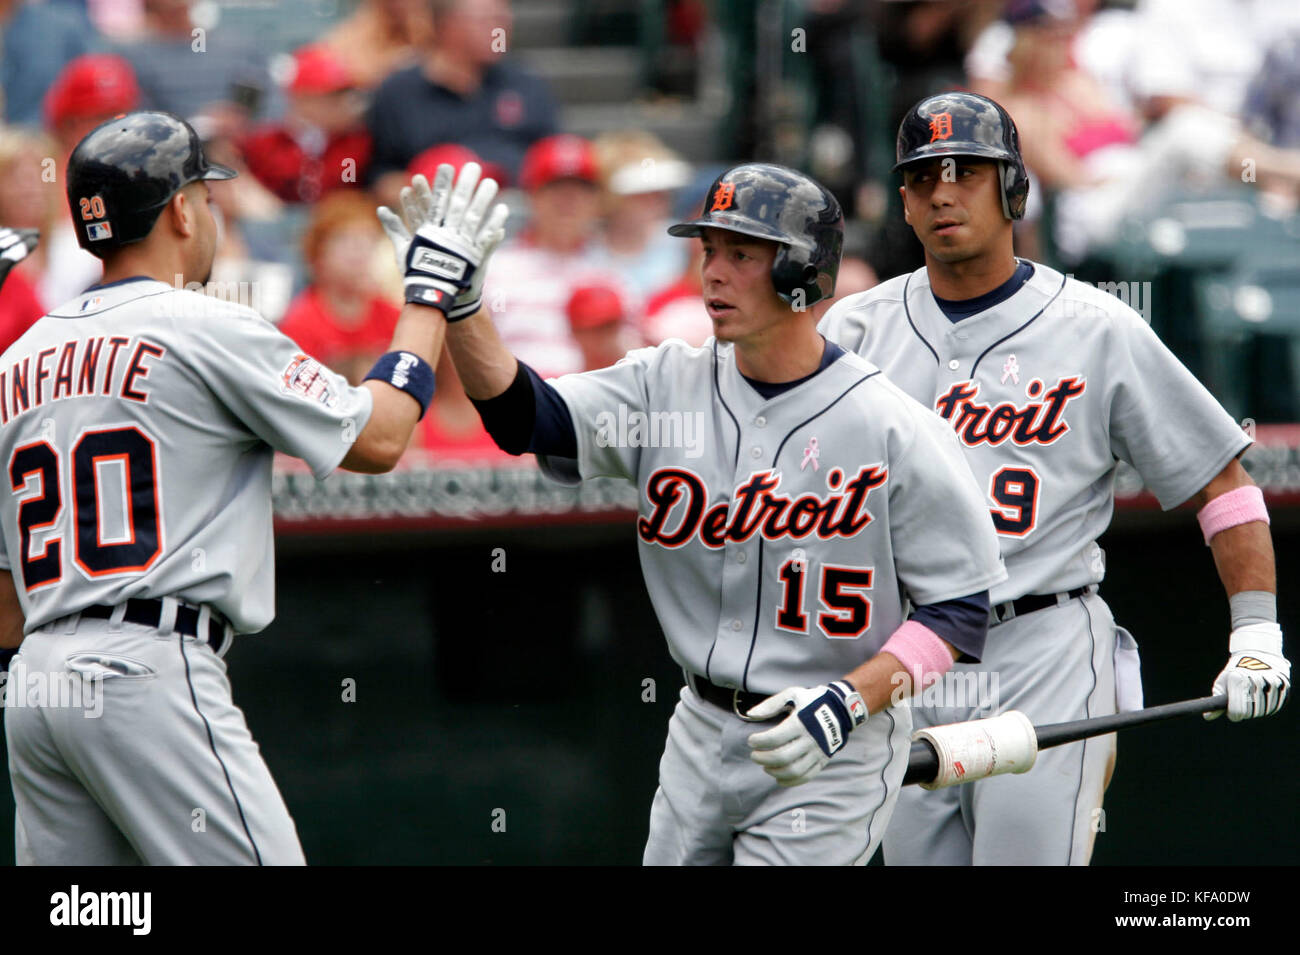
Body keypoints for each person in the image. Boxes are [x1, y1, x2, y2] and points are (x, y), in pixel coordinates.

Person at [429, 161, 1007, 865]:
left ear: (800, 270)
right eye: (708, 251)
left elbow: (958, 611)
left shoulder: (890, 425)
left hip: (833, 749)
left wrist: (852, 700)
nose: (713, 273)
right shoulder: (663, 382)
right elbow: (526, 419)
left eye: (741, 254)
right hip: (699, 730)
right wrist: (461, 310)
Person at [0, 110, 507, 865]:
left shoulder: (18, 359)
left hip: (36, 688)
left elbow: (6, 600)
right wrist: (429, 293)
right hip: (148, 668)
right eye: (204, 198)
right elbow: (380, 436)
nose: (211, 213)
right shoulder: (204, 322)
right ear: (178, 210)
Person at [819, 91, 1292, 866]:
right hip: (907, 655)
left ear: (1013, 189)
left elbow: (1221, 478)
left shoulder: (1096, 325)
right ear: (902, 200)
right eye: (923, 176)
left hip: (1043, 644)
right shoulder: (853, 330)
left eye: (966, 171)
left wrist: (1256, 633)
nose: (943, 191)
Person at [365, 0, 560, 203]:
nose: (500, 30)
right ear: (446, 26)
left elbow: (553, 157)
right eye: (488, 20)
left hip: (519, 210)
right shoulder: (399, 92)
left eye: (504, 19)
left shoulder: (526, 83)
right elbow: (378, 175)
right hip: (432, 209)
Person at [485, 134, 637, 378]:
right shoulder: (494, 270)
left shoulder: (615, 274)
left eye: (581, 189)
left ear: (597, 201)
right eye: (555, 187)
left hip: (592, 405)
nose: (568, 200)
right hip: (517, 404)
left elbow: (631, 361)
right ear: (531, 195)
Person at [278, 191, 402, 385]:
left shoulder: (391, 315)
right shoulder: (299, 323)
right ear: (318, 255)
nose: (361, 253)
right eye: (346, 241)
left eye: (369, 241)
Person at [239, 45, 374, 205]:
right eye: (332, 96)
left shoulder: (355, 142)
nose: (345, 103)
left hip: (330, 221)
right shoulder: (265, 142)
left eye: (345, 95)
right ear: (301, 99)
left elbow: (339, 187)